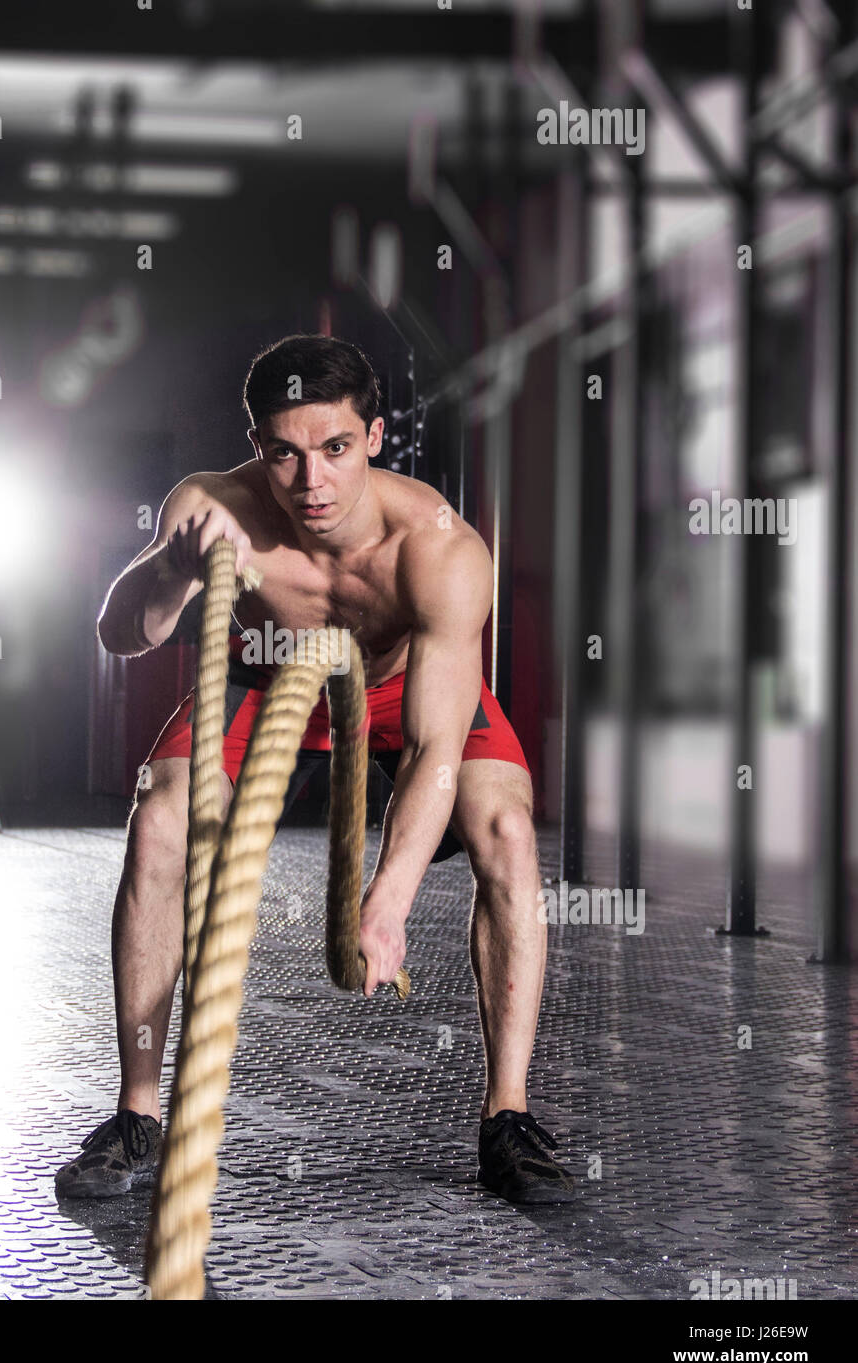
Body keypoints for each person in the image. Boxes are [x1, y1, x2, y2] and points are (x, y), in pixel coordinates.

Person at [55, 334, 575, 1205]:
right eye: (284, 455)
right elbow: (120, 636)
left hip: (402, 690)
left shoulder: (440, 548)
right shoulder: (211, 506)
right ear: (257, 447)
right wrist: (169, 566)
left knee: (508, 830)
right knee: (158, 820)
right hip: (271, 675)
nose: (311, 483)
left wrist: (385, 903)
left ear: (373, 438)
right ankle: (138, 1114)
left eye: (334, 449)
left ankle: (507, 1117)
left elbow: (433, 749)